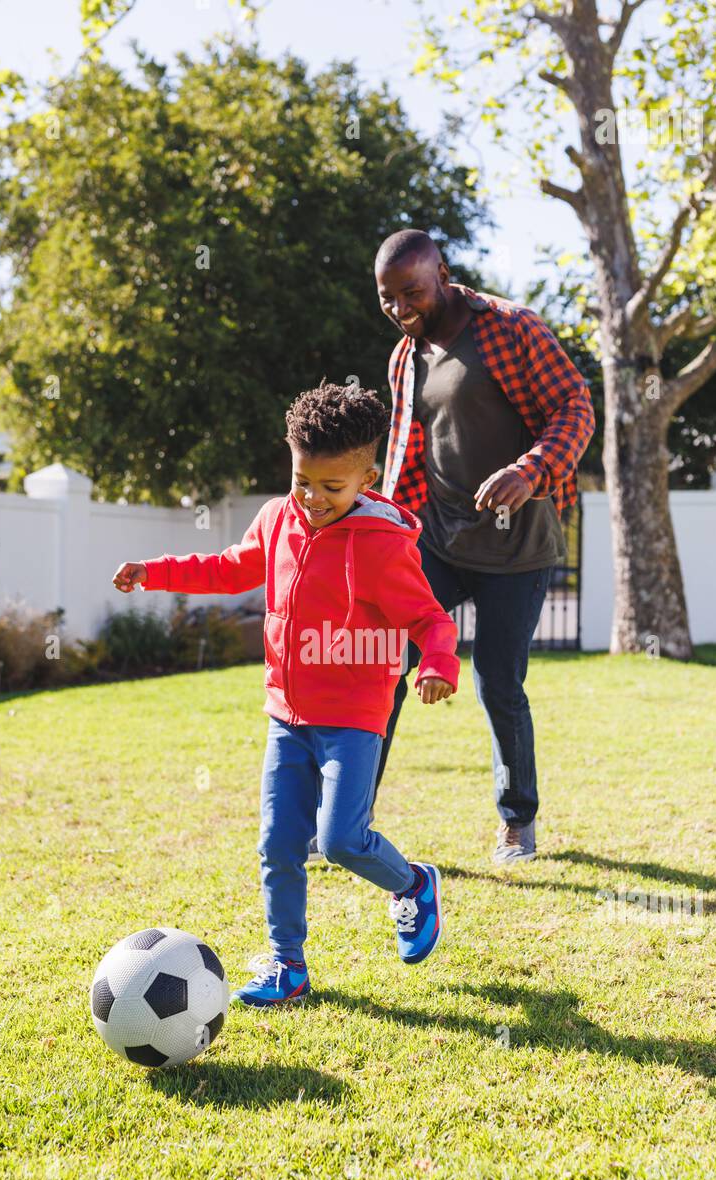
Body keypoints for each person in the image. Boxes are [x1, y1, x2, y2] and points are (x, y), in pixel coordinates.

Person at [112, 383, 460, 1005]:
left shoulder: (382, 547)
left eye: (333, 486)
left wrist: (438, 664)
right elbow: (227, 567)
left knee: (341, 841)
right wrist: (156, 571)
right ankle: (287, 963)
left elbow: (431, 620)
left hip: (354, 718)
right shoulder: (277, 519)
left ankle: (411, 885)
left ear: (366, 476)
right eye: (304, 481)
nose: (314, 498)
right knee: (276, 844)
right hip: (287, 714)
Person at [371, 228, 595, 867]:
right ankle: (349, 817)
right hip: (438, 540)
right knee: (387, 664)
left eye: (410, 292)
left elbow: (574, 404)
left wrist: (531, 470)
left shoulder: (511, 328)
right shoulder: (403, 356)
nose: (399, 308)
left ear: (442, 272)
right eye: (387, 298)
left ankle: (516, 821)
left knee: (498, 680)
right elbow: (402, 456)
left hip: (518, 547)